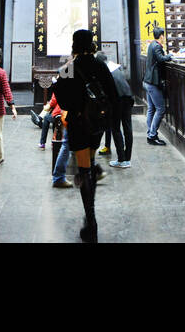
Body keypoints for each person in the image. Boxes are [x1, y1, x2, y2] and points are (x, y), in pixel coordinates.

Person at [50, 29, 119, 242]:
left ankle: (91, 220)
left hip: (79, 123)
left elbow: (60, 96)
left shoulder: (68, 68)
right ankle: (91, 218)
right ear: (91, 44)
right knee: (91, 160)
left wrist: (75, 108)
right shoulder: (100, 64)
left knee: (84, 168)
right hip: (97, 123)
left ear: (74, 45)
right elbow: (113, 93)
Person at [99, 52, 135, 168]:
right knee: (127, 128)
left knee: (115, 128)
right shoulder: (115, 68)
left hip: (117, 101)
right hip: (128, 98)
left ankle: (121, 159)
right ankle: (127, 158)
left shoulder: (104, 71)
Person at [144, 26, 171, 146]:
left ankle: (150, 132)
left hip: (147, 81)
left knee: (151, 108)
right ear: (161, 36)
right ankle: (152, 135)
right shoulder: (156, 46)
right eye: (163, 36)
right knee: (160, 108)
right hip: (153, 83)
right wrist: (170, 56)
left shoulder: (151, 44)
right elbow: (161, 59)